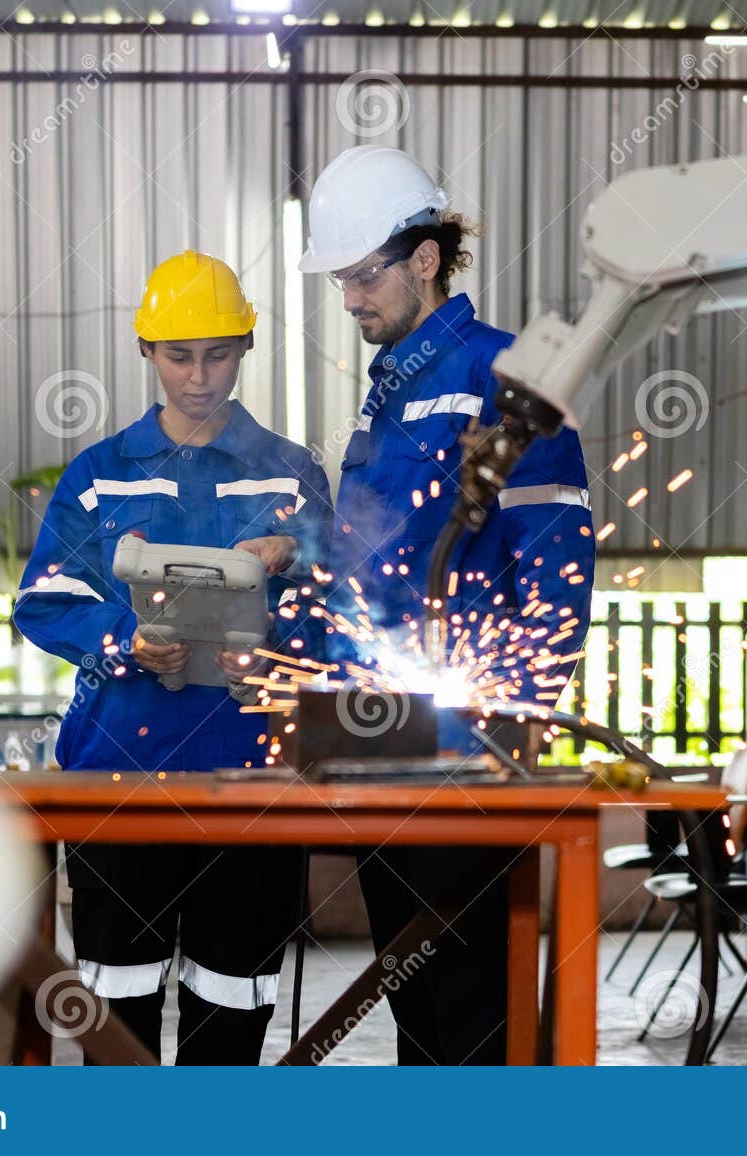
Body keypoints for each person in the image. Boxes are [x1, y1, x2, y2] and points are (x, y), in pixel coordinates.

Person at [299, 146, 596, 1064]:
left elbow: (556, 562)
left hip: (468, 746)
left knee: (473, 1012)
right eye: (341, 280)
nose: (349, 299)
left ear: (424, 260)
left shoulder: (503, 375)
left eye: (363, 276)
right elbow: (360, 569)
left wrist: (519, 716)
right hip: (377, 739)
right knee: (415, 1006)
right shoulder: (385, 398)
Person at [13, 250, 332, 1064]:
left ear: (246, 346)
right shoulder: (97, 478)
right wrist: (125, 641)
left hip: (249, 775)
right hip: (119, 774)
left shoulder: (292, 476)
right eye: (180, 356)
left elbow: (336, 609)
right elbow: (45, 601)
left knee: (233, 1001)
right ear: (147, 351)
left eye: (218, 355)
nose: (199, 377)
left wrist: (275, 643)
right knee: (115, 1012)